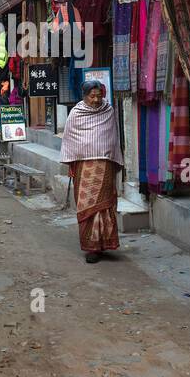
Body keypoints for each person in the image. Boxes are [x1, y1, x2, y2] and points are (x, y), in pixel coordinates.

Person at [60, 80, 123, 263]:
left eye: (98, 95)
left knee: (105, 204)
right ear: (85, 96)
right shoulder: (76, 113)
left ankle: (105, 243)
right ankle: (91, 247)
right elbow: (69, 139)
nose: (96, 99)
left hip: (104, 166)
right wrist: (71, 164)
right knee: (87, 205)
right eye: (92, 96)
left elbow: (112, 138)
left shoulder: (108, 111)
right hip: (83, 167)